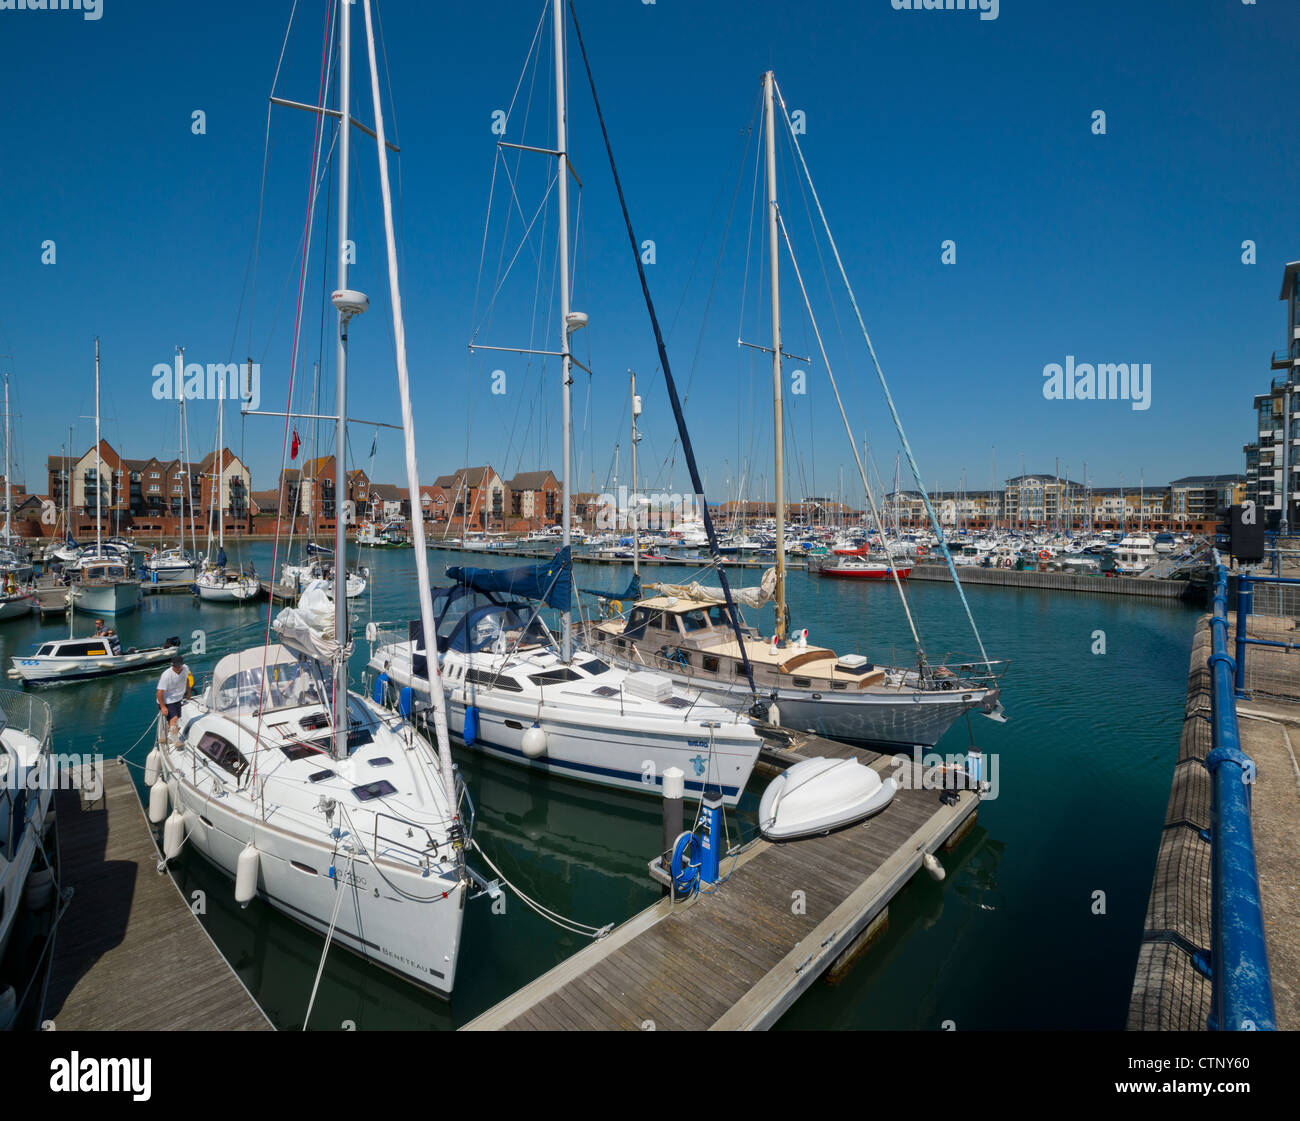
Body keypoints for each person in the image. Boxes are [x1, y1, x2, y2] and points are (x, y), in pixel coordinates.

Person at [156, 654, 191, 743]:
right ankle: (175, 740)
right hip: (167, 700)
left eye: (180, 665)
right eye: (176, 666)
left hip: (178, 698)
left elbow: (186, 680)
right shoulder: (166, 675)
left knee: (173, 719)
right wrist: (163, 707)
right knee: (174, 718)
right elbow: (159, 693)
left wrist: (188, 693)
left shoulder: (185, 668)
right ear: (172, 665)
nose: (178, 668)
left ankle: (164, 734)